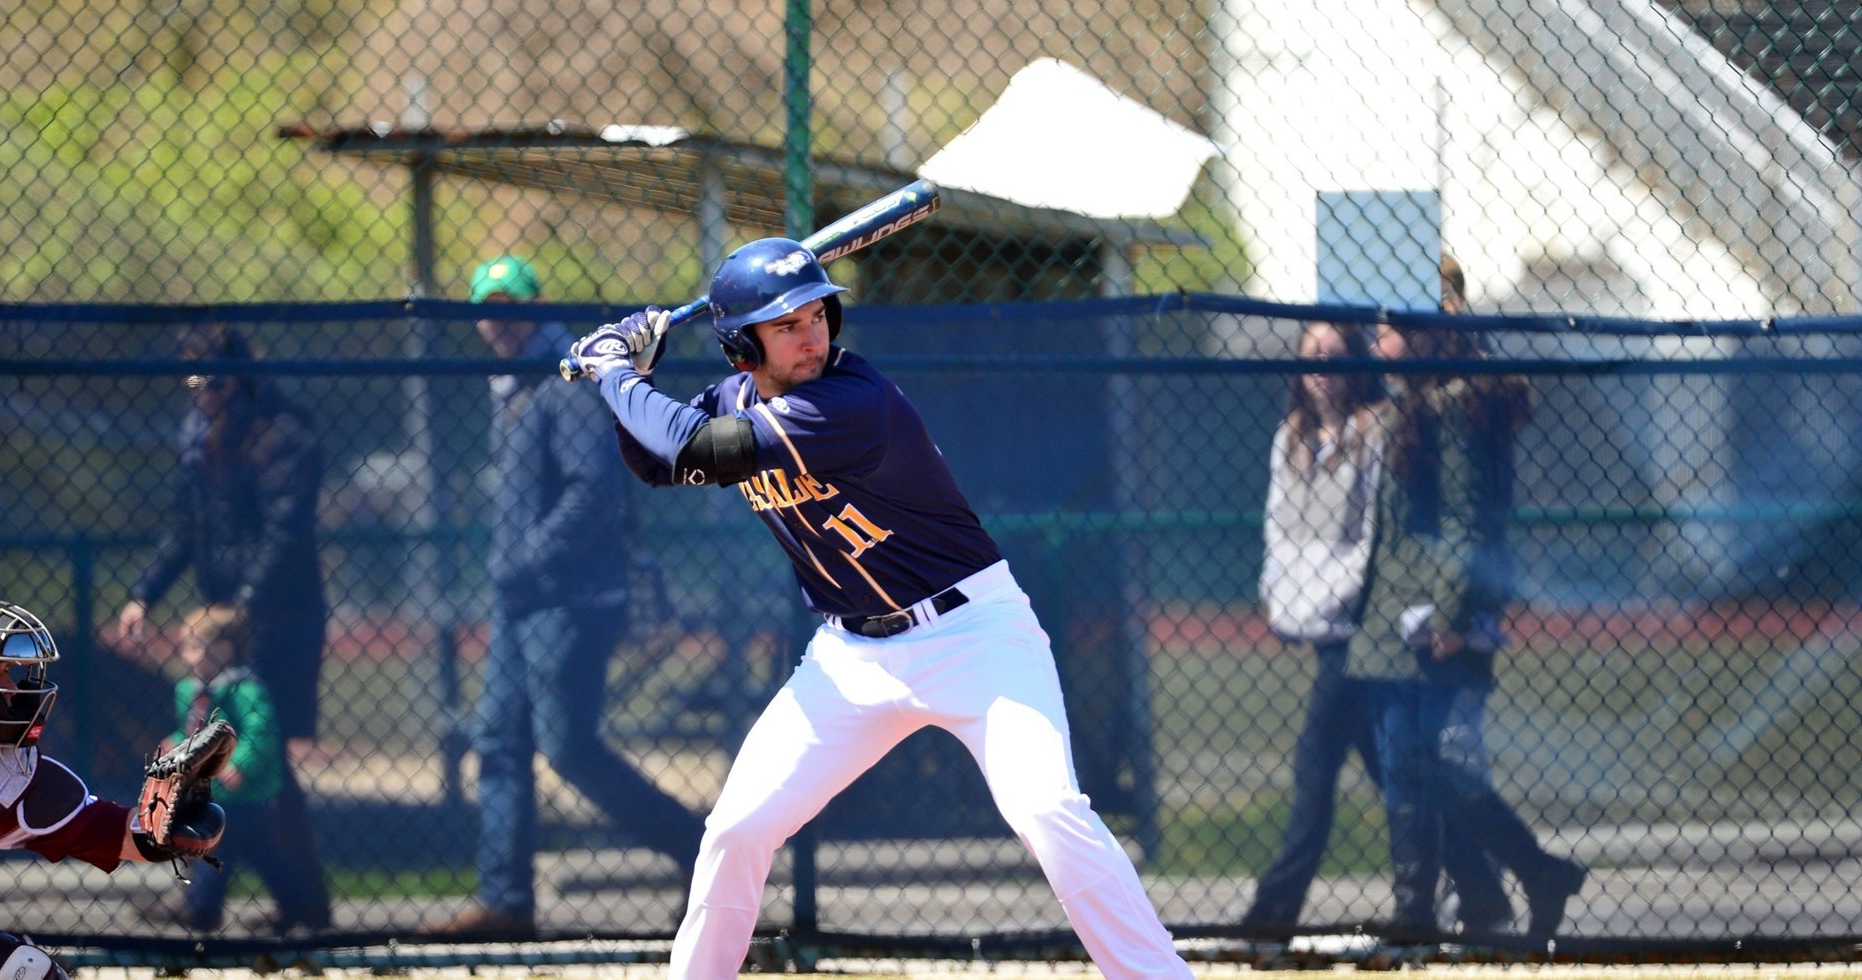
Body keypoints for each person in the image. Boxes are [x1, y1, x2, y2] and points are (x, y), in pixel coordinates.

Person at [564, 238, 1190, 978]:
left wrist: (611, 370)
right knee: (737, 827)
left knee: (1049, 812)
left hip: (974, 635)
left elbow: (703, 449)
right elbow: (656, 459)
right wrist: (633, 375)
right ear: (741, 345)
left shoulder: (849, 401)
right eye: (784, 323)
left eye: (816, 313)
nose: (811, 333)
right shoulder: (732, 399)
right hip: (850, 659)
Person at [429, 255, 706, 935]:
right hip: (523, 599)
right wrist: (516, 573)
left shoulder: (569, 377)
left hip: (567, 600)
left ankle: (704, 857)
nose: (497, 319)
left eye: (508, 303)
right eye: (485, 307)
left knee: (570, 750)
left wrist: (527, 559)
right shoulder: (511, 383)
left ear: (537, 302)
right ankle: (504, 900)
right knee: (497, 740)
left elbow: (594, 491)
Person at [1369, 259, 1588, 940]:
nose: (1375, 336)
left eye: (1389, 325)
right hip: (1412, 610)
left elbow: (1465, 521)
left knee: (1426, 760)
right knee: (1407, 760)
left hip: (1441, 615)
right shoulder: (1420, 398)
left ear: (1423, 329)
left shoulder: (1453, 403)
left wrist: (1452, 617)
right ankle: (1433, 902)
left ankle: (1517, 875)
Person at [0, 598, 223, 979]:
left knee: (26, 974)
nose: (9, 689)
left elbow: (109, 831)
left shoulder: (1, 775)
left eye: (7, 673)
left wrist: (165, 828)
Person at [111, 322, 331, 929]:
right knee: (228, 767)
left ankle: (293, 902)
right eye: (192, 381)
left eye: (210, 380)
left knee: (259, 764)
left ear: (237, 377)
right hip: (225, 622)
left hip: (278, 620)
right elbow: (187, 528)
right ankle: (284, 902)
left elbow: (284, 535)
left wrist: (241, 612)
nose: (200, 392)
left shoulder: (282, 431)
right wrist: (143, 594)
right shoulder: (196, 434)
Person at [1238, 320, 1393, 933]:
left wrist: (1329, 600)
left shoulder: (1373, 433)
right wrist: (1281, 598)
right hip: (1312, 619)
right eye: (1312, 356)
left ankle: (1271, 913)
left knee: (1313, 767)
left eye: (1334, 355)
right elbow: (1278, 530)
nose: (1323, 367)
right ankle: (1479, 877)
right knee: (1385, 765)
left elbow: (1367, 539)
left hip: (1353, 626)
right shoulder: (1290, 439)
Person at [164, 604, 331, 933]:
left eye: (195, 647)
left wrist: (239, 766)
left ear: (224, 651)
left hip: (243, 794)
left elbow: (260, 733)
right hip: (210, 793)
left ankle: (202, 913)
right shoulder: (189, 691)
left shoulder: (245, 691)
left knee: (217, 851)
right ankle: (300, 907)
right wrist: (173, 744)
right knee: (264, 855)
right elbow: (190, 732)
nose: (187, 655)